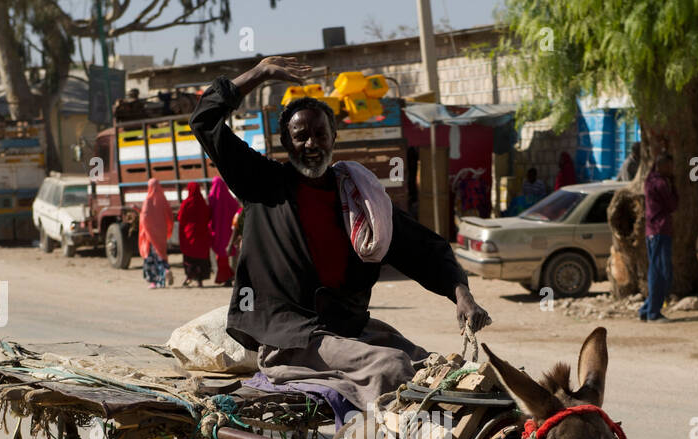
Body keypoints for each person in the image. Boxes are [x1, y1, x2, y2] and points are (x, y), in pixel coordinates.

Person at [188, 54, 489, 415]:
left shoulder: (359, 198)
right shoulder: (263, 182)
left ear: (334, 137)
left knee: (433, 367)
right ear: (286, 141)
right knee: (392, 368)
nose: (311, 144)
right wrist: (260, 73)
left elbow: (423, 248)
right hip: (292, 336)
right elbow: (204, 120)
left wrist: (462, 295)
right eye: (300, 136)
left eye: (320, 134)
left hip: (346, 328)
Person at [639, 152, 676, 322]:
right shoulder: (660, 183)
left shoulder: (649, 181)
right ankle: (653, 312)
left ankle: (647, 309)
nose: (671, 169)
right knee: (661, 273)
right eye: (669, 166)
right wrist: (673, 185)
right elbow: (672, 205)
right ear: (661, 166)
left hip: (652, 232)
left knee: (656, 270)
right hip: (660, 231)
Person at [138, 177, 173, 289]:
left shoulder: (148, 200)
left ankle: (155, 282)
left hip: (150, 235)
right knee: (161, 255)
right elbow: (169, 216)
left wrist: (138, 212)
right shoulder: (163, 200)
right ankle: (166, 270)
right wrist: (167, 229)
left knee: (152, 258)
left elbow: (144, 217)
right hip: (161, 233)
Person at [207, 174, 241, 286]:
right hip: (229, 232)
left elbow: (208, 213)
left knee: (220, 255)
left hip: (217, 231)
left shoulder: (212, 197)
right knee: (230, 254)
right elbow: (237, 207)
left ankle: (225, 277)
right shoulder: (229, 198)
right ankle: (230, 276)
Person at [176, 182, 212, 286]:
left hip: (189, 234)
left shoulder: (186, 203)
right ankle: (200, 280)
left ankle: (189, 276)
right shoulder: (203, 203)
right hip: (202, 234)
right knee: (201, 256)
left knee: (189, 256)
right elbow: (208, 216)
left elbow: (180, 218)